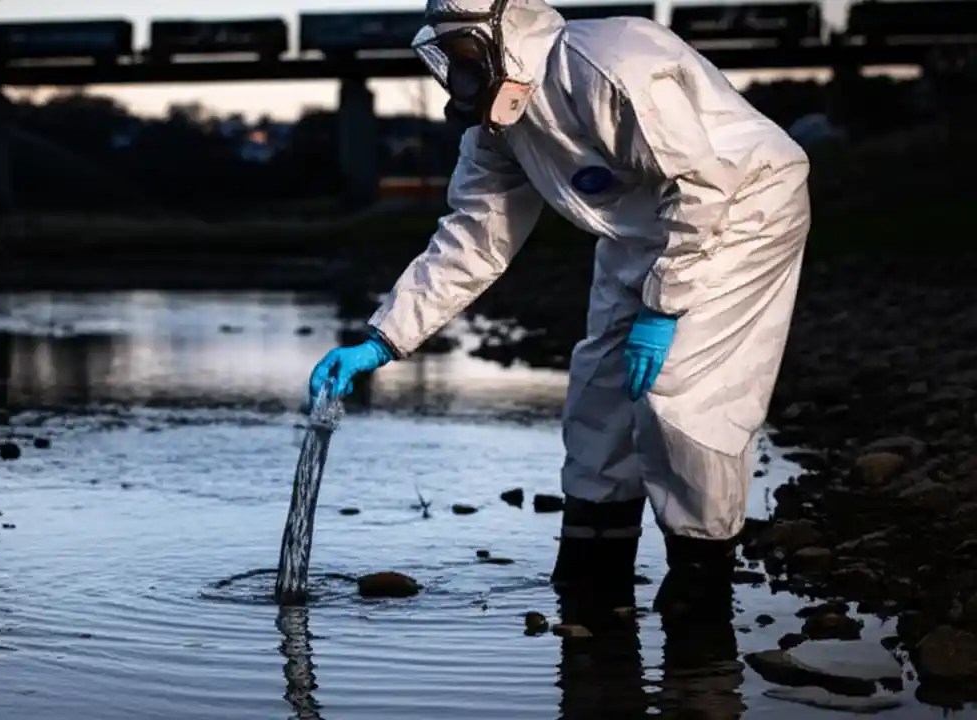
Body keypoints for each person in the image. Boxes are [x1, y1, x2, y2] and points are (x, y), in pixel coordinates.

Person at [307, 0, 811, 615]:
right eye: (449, 61)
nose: (458, 79)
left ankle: (700, 581)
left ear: (503, 30)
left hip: (744, 208)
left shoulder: (608, 67)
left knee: (680, 395)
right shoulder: (500, 132)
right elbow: (472, 240)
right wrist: (382, 339)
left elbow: (703, 187)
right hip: (642, 230)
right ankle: (592, 576)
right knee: (599, 392)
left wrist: (664, 305)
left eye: (464, 56)